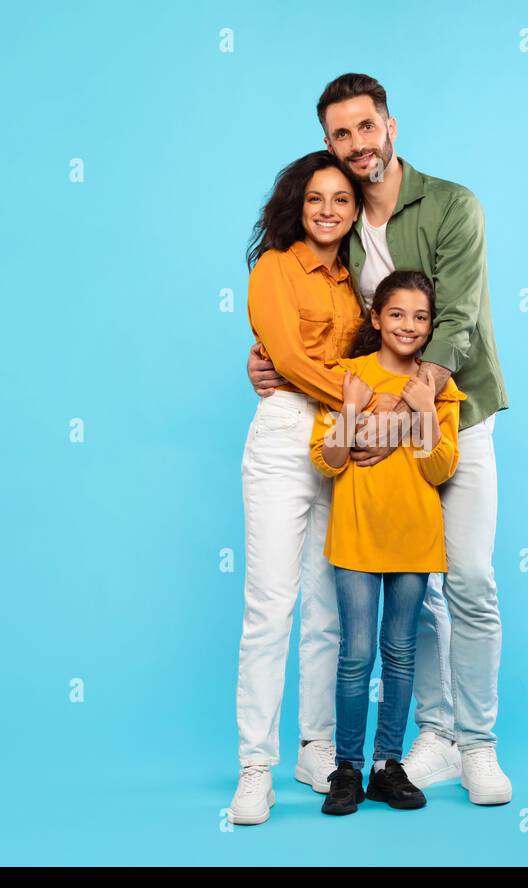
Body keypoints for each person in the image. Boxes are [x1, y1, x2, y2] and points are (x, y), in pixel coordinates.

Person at [247, 74, 512, 805]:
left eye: (367, 127)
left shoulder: (453, 204)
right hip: (369, 430)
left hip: (454, 412)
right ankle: (421, 739)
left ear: (390, 125)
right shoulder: (337, 223)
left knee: (469, 579)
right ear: (328, 143)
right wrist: (270, 357)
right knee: (408, 590)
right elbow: (328, 328)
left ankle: (475, 743)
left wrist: (392, 416)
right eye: (342, 134)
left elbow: (454, 323)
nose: (357, 144)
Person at [230, 151, 366, 826]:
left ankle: (317, 749)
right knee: (270, 608)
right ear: (297, 204)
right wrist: (365, 396)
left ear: (355, 209)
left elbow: (369, 356)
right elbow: (284, 357)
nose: (328, 210)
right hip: (285, 438)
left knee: (328, 609)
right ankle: (255, 767)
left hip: (339, 443)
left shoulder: (355, 282)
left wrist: (361, 398)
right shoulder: (275, 268)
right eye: (316, 198)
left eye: (341, 199)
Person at [308, 271, 466, 815]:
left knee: (399, 653)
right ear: (375, 318)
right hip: (356, 537)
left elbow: (441, 469)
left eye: (421, 317)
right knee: (356, 654)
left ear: (431, 326)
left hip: (414, 541)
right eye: (397, 314)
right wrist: (352, 411)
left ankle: (386, 765)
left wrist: (423, 409)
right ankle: (347, 767)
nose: (408, 325)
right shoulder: (348, 376)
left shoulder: (438, 389)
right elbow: (328, 461)